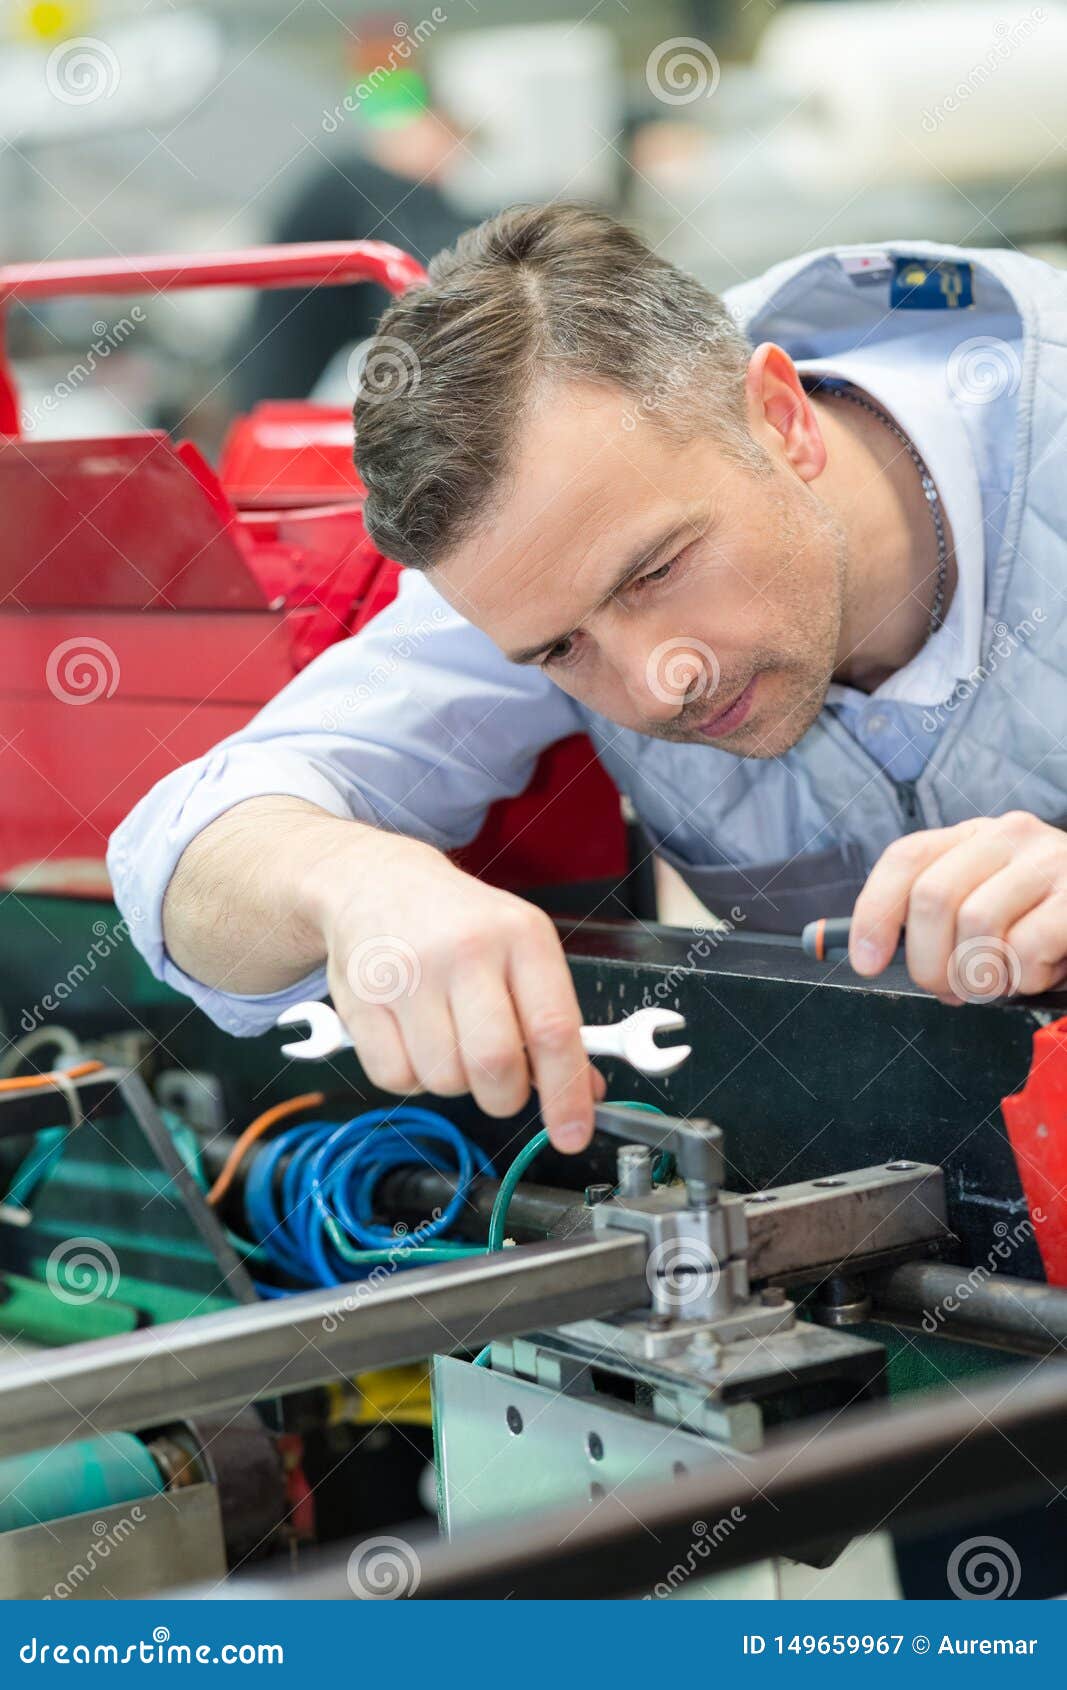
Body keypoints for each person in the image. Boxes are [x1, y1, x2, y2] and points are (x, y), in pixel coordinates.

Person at [109, 204, 1067, 1155]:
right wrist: (355, 879)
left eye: (655, 572)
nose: (657, 690)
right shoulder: (534, 555)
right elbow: (179, 851)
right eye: (561, 651)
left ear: (779, 419)